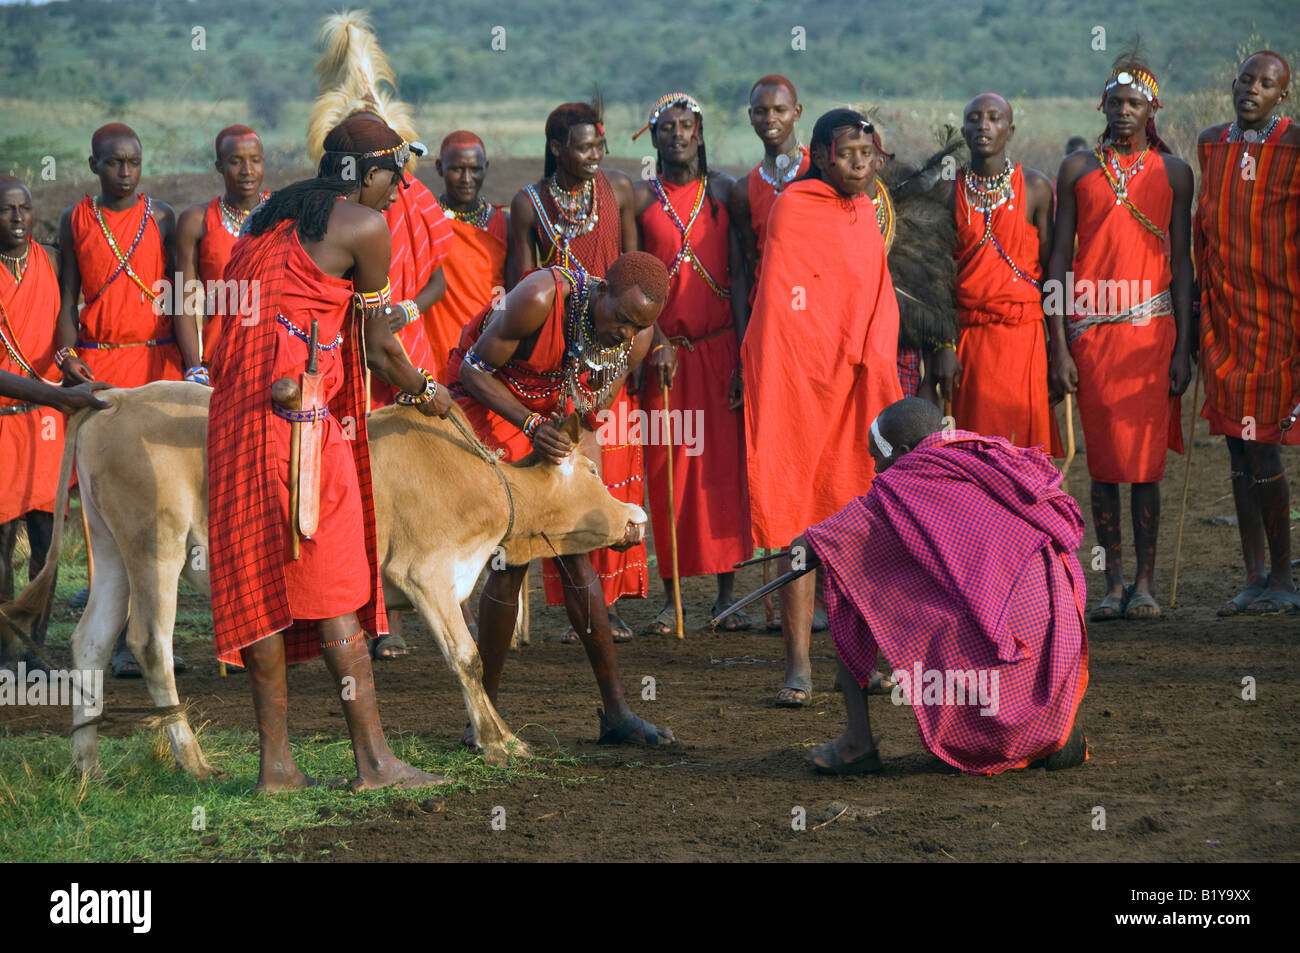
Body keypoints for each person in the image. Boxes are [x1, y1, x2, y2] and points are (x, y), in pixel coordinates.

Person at [206, 114, 450, 792]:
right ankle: (374, 762)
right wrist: (428, 391)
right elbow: (377, 346)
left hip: (233, 422)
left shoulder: (270, 216)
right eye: (395, 177)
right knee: (338, 581)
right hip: (298, 426)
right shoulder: (365, 229)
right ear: (368, 174)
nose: (400, 191)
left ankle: (277, 766)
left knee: (262, 583)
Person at [446, 250, 677, 745]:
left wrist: (586, 495)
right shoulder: (540, 296)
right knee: (514, 555)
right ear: (601, 290)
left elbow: (590, 419)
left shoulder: (632, 342)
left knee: (575, 550)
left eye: (639, 327)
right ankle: (481, 717)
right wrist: (530, 426)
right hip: (488, 407)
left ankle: (615, 714)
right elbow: (472, 372)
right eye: (621, 318)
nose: (625, 333)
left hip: (549, 422)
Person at [797, 397, 1088, 775]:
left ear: (903, 451)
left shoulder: (906, 477)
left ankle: (857, 742)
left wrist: (811, 550)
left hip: (1000, 658)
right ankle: (1052, 731)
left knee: (849, 586)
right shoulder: (990, 457)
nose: (874, 470)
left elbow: (815, 545)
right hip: (1056, 641)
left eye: (876, 457)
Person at [743, 108, 903, 706]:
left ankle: (862, 661)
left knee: (862, 523)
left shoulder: (865, 213)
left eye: (869, 154)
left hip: (857, 389)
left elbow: (876, 297)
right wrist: (813, 366)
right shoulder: (794, 205)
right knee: (799, 525)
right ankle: (799, 667)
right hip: (799, 389)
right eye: (849, 154)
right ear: (820, 153)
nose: (861, 165)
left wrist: (869, 361)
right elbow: (784, 309)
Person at [306, 13, 454, 659]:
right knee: (354, 482)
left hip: (400, 347)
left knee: (405, 479)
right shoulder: (333, 211)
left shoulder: (413, 199)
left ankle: (400, 598)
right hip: (356, 357)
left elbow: (439, 280)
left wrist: (407, 312)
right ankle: (360, 614)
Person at [1048, 58, 1194, 621]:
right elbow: (1059, 259)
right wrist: (1059, 344)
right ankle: (1111, 585)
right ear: (1102, 105)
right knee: (1105, 467)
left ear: (1152, 109)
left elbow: (1180, 263)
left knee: (1146, 466)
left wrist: (1184, 347)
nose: (1124, 110)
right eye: (1116, 101)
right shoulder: (1077, 169)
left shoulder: (1175, 173)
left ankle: (1147, 583)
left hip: (1151, 336)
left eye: (1135, 102)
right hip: (1090, 335)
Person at [510, 99, 650, 641]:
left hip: (612, 352)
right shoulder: (528, 205)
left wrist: (640, 345)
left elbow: (640, 276)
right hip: (554, 361)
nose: (596, 154)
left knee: (608, 477)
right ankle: (576, 607)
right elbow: (519, 288)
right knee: (564, 477)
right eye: (584, 145)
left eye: (600, 144)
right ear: (556, 148)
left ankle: (607, 605)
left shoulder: (618, 191)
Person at [631, 93, 753, 633]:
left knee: (722, 473)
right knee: (667, 470)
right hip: (665, 357)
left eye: (686, 127)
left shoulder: (727, 193)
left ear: (699, 134)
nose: (677, 135)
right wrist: (653, 339)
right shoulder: (639, 199)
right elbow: (631, 277)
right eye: (667, 128)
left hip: (721, 346)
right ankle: (670, 596)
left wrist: (745, 357)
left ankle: (727, 595)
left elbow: (746, 275)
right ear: (653, 138)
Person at [1196, 50, 1300, 615]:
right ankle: (1253, 576)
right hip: (1225, 319)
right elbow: (1202, 232)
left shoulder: (1295, 146)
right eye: (1246, 80)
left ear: (1282, 95)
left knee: (1263, 452)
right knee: (1236, 450)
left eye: (1266, 84)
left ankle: (1283, 577)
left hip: (1279, 322)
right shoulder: (1213, 144)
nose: (1252, 90)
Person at [0, 176, 109, 672]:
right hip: (8, 421)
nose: (19, 219)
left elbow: (65, 321)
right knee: (1, 545)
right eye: (7, 211)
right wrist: (60, 396)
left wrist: (67, 363)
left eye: (24, 208)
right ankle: (4, 650)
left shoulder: (47, 259)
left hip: (44, 424)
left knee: (48, 541)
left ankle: (34, 649)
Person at [948, 92, 1056, 447]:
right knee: (975, 450)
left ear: (1010, 130)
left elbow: (1055, 272)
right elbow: (937, 280)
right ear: (963, 130)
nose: (984, 126)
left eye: (994, 118)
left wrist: (1061, 351)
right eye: (974, 118)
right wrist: (941, 347)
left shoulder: (1037, 188)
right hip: (969, 341)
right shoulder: (948, 191)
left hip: (1024, 337)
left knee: (1022, 452)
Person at [56, 124, 186, 388]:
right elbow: (69, 298)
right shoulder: (76, 219)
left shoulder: (162, 217)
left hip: (158, 360)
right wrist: (67, 356)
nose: (126, 173)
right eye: (115, 163)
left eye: (134, 163)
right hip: (97, 361)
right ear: (94, 164)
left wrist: (193, 365)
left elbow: (179, 298)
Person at [174, 125, 269, 370]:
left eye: (255, 160)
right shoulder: (198, 220)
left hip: (273, 357)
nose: (247, 171)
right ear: (220, 166)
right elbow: (182, 301)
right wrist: (194, 367)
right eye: (236, 162)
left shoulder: (284, 215)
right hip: (220, 359)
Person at [425, 131, 510, 379]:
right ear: (440, 168)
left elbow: (512, 291)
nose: (466, 179)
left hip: (489, 340)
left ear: (486, 168)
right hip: (437, 340)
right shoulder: (426, 221)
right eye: (457, 169)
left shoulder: (504, 223)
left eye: (475, 169)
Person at [728, 75, 809, 293]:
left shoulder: (820, 173)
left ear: (797, 113)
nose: (770, 119)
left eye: (780, 110)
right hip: (768, 305)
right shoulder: (744, 190)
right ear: (751, 116)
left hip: (816, 305)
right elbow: (750, 263)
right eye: (761, 111)